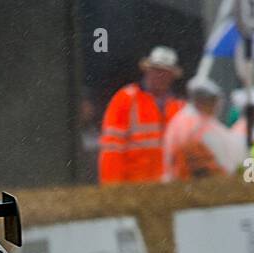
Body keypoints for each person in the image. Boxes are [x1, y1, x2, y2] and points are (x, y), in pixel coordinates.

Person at [98, 46, 184, 184]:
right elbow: (111, 150)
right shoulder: (125, 99)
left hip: (170, 188)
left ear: (173, 76)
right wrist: (112, 191)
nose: (161, 76)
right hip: (134, 187)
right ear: (147, 70)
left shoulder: (179, 106)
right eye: (157, 70)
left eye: (166, 72)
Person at [162, 77, 244, 180]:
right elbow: (219, 163)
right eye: (214, 101)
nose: (217, 106)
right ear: (202, 101)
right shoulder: (200, 124)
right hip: (195, 184)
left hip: (176, 181)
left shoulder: (180, 119)